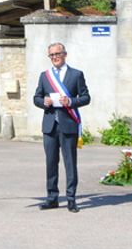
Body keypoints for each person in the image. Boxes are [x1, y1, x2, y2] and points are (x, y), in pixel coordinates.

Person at [32, 42, 90, 213]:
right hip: (50, 125)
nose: (55, 57)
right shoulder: (45, 76)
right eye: (51, 55)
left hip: (68, 125)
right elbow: (36, 97)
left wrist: (71, 101)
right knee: (51, 163)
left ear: (65, 54)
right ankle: (52, 198)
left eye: (58, 54)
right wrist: (44, 102)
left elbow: (86, 97)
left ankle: (71, 199)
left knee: (70, 163)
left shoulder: (76, 75)